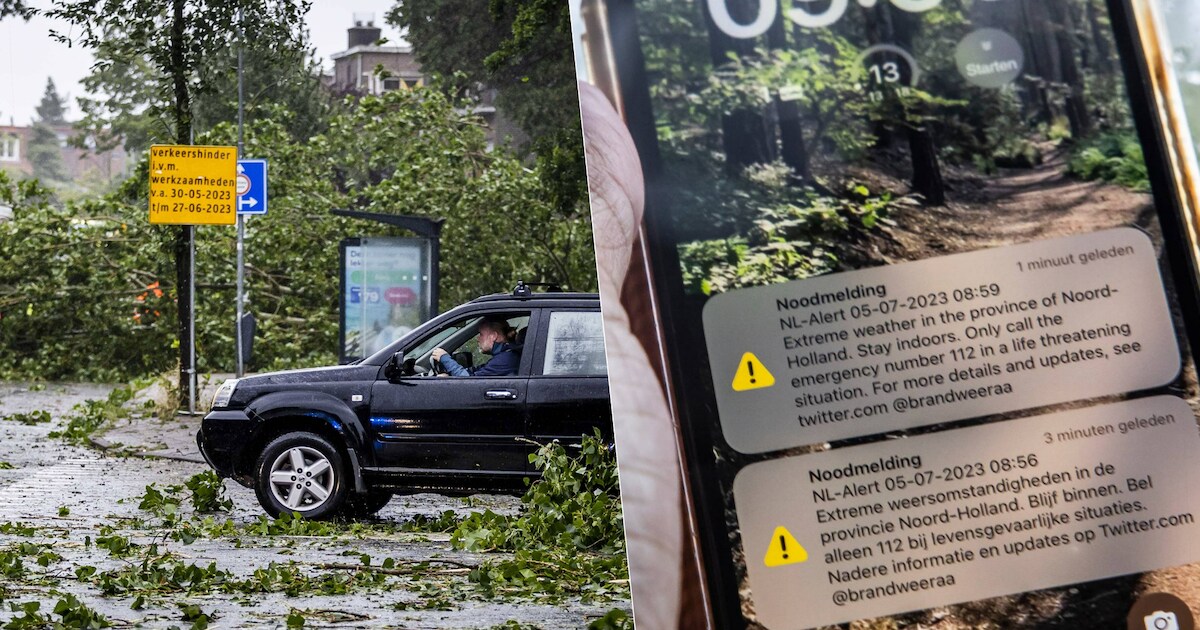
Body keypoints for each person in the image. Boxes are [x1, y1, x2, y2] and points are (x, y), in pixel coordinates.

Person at [431, 316, 520, 376]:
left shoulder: (505, 359)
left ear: (493, 336)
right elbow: (475, 372)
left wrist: (445, 358)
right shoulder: (506, 356)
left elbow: (468, 381)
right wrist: (450, 376)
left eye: (481, 334)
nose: (478, 338)